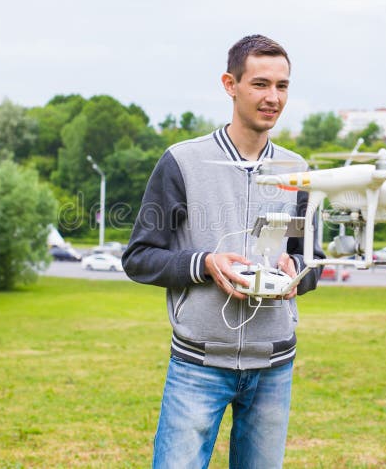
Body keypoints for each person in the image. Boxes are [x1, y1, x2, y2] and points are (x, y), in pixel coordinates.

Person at [122, 34, 324, 468]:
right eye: (260, 84)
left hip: (274, 366)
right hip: (199, 365)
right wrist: (205, 264)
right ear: (229, 84)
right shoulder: (181, 162)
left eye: (282, 86)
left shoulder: (298, 171)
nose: (273, 97)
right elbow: (138, 257)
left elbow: (313, 260)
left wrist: (298, 274)